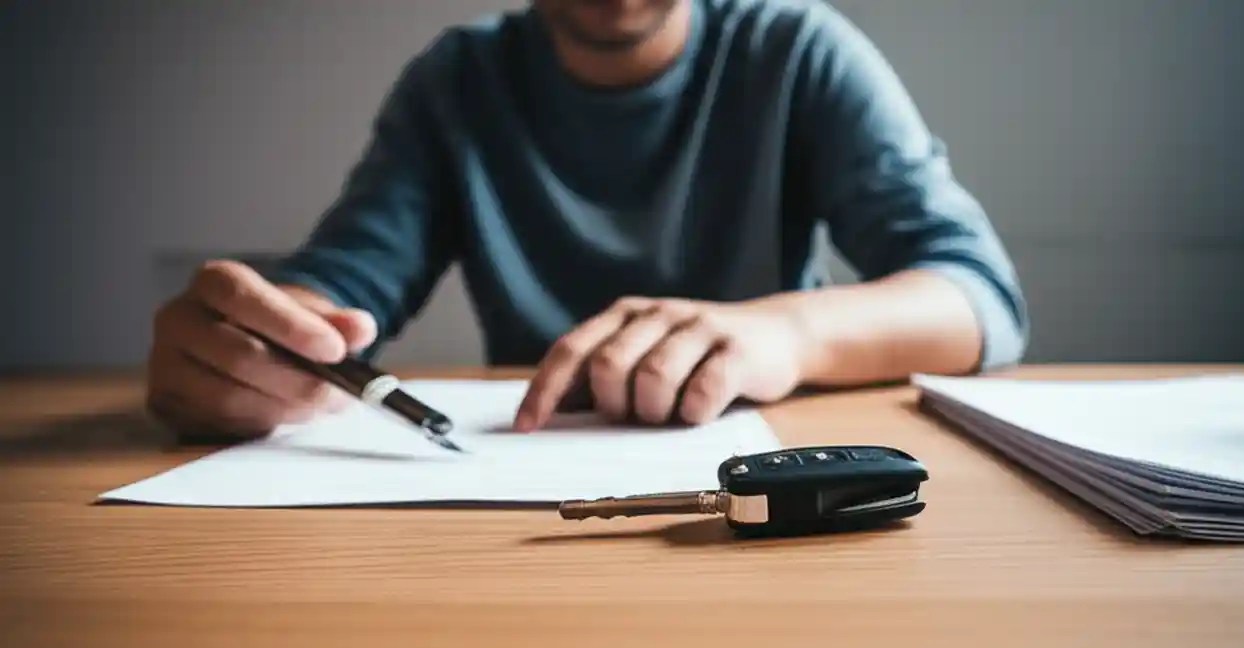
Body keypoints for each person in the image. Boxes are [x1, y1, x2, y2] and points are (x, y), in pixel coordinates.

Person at [146, 0, 1028, 439]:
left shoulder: (795, 48)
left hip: (770, 489)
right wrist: (248, 350)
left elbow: (979, 299)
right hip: (523, 502)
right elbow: (340, 295)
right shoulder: (457, 84)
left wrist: (786, 334)